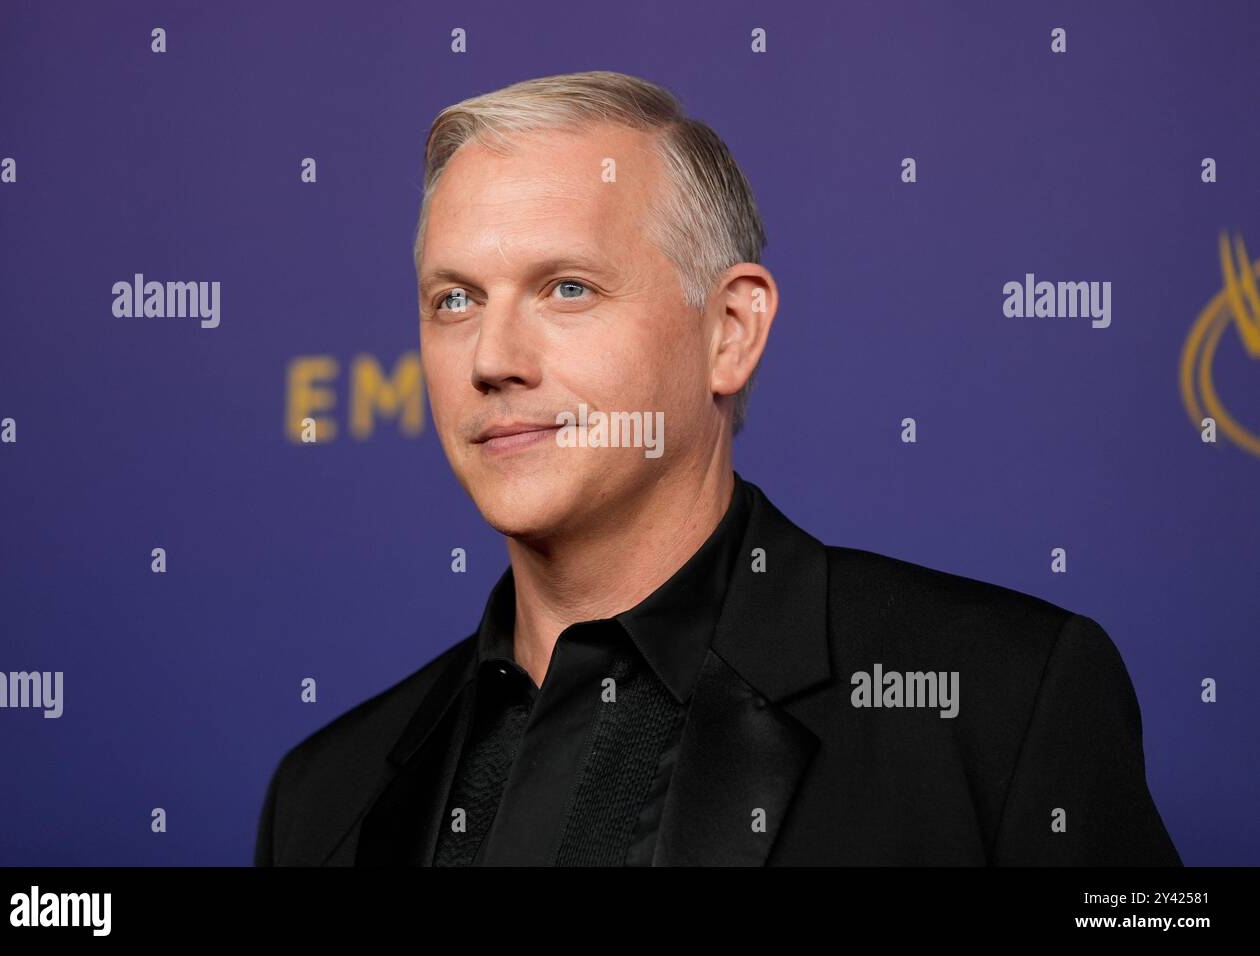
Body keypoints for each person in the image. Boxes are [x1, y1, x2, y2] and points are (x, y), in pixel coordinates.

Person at [254, 70, 1181, 866]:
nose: (492, 357)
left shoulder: (999, 703)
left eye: (566, 288)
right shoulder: (323, 794)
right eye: (454, 299)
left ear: (729, 332)